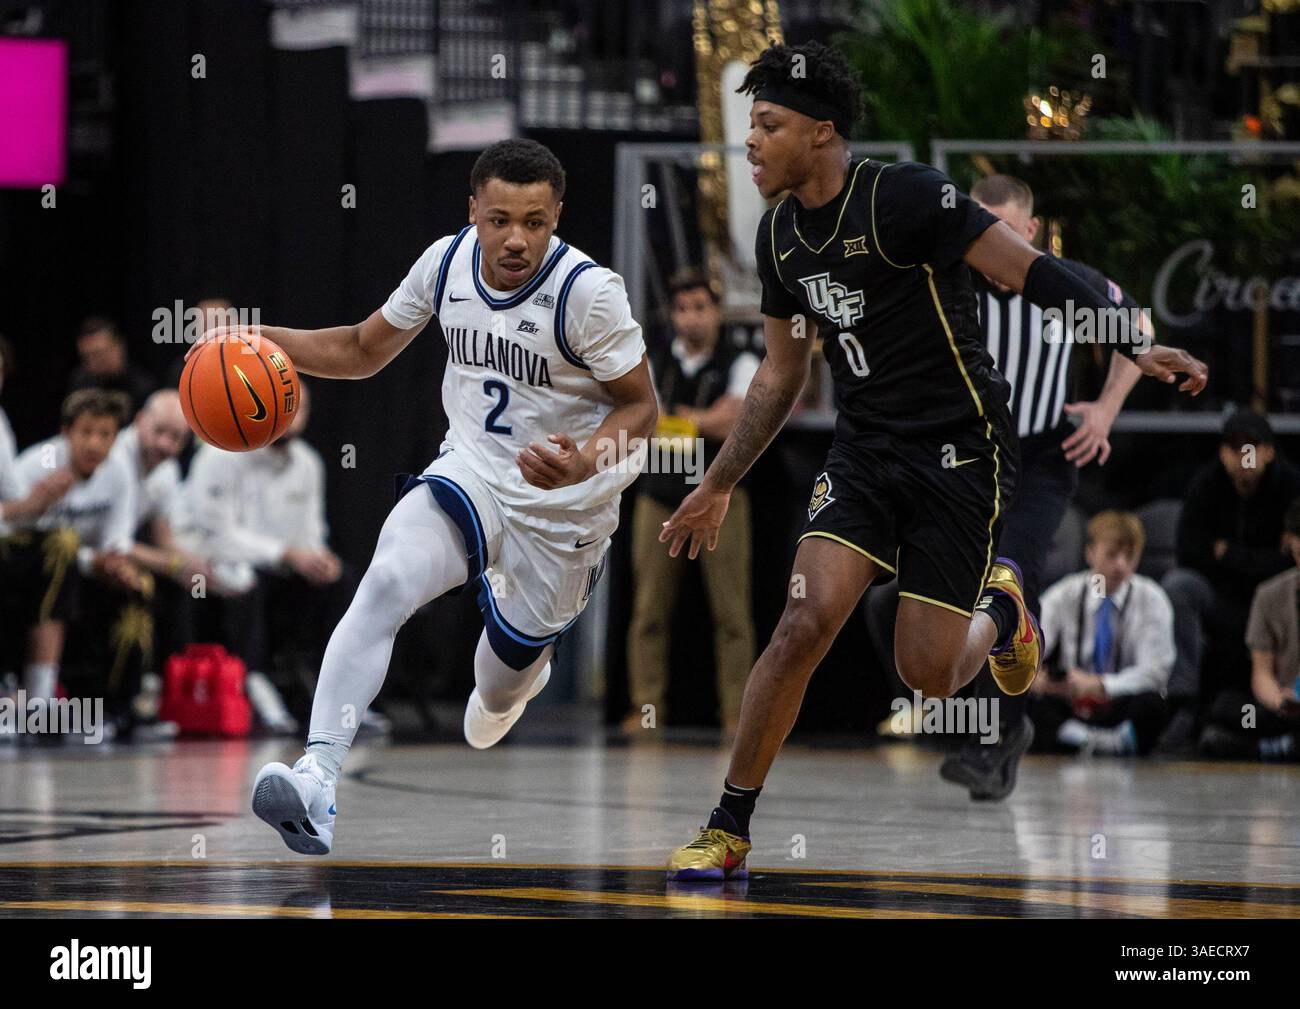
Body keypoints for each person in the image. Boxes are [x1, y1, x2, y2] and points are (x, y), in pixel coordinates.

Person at [659, 41, 1207, 881]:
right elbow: (780, 371)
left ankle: (1004, 614)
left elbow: (1028, 272)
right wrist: (717, 482)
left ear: (823, 131)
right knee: (803, 621)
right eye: (750, 126)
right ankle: (729, 825)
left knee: (932, 672)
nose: (752, 143)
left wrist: (1135, 338)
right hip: (864, 448)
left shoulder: (908, 197)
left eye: (768, 125)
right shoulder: (779, 237)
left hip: (962, 450)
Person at [189, 138, 656, 854]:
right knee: (387, 580)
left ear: (557, 215)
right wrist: (256, 338)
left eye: (535, 220)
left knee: (493, 696)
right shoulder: (444, 264)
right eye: (499, 219)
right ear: (473, 210)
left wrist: (585, 459)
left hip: (563, 508)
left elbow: (642, 409)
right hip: (471, 469)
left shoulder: (590, 293)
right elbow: (358, 348)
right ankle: (317, 776)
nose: (516, 238)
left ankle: (519, 675)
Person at [928, 173, 1156, 798]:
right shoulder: (951, 278)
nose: (991, 241)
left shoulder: (1062, 283)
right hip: (970, 461)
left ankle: (998, 738)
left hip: (1041, 462)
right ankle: (994, 734)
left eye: (1004, 229)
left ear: (1031, 231)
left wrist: (1107, 407)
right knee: (946, 591)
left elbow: (1137, 326)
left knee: (1005, 582)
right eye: (981, 228)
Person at [624, 267, 759, 735]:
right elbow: (643, 417)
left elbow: (737, 420)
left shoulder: (740, 359)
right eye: (682, 309)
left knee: (731, 613)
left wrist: (685, 419)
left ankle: (736, 715)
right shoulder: (654, 359)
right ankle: (647, 710)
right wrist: (702, 419)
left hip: (722, 498)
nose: (691, 319)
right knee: (648, 609)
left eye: (700, 308)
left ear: (717, 313)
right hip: (659, 498)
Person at [177, 384, 348, 733]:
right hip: (215, 564)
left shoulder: (309, 463)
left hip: (281, 567)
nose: (293, 418)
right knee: (244, 580)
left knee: (342, 580)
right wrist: (285, 553)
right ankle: (255, 683)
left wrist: (320, 557)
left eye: (300, 409)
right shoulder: (218, 455)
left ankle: (337, 691)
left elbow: (312, 530)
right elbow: (221, 538)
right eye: (285, 408)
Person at [9, 389, 145, 738]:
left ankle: (113, 709)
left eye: (105, 435)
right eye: (86, 432)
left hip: (88, 576)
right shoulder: (39, 464)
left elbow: (118, 539)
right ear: (66, 432)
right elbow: (15, 533)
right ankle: (37, 698)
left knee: (139, 594)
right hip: (29, 576)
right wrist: (37, 505)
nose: (95, 444)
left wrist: (118, 564)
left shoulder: (119, 470)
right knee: (62, 544)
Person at [1161, 411, 1300, 752]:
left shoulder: (1290, 486)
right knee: (1180, 586)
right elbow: (1190, 554)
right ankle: (1184, 702)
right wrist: (1257, 560)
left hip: (1277, 601)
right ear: (1222, 452)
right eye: (1236, 449)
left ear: (1269, 451)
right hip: (1224, 600)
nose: (1244, 458)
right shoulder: (1206, 485)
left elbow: (1290, 560)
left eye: (1253, 448)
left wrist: (1228, 554)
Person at [1028, 511, 1174, 755]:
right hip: (1070, 700)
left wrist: (1100, 685)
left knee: (1153, 704)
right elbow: (1028, 644)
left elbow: (1155, 672)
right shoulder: (1065, 593)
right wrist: (1037, 677)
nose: (1121, 565)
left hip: (1119, 701)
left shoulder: (1152, 598)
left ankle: (1077, 739)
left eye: (1130, 556)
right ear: (1090, 553)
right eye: (1112, 555)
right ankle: (1105, 741)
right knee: (1023, 696)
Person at [1198, 497, 1300, 761]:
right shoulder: (1270, 594)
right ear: (1290, 542)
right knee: (1231, 711)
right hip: (1285, 709)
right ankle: (1282, 745)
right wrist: (1280, 702)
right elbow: (1262, 672)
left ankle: (1267, 748)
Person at [67, 316, 157, 414]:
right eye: (86, 357)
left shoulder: (142, 386)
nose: (93, 362)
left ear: (119, 347)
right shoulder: (80, 383)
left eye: (98, 354)